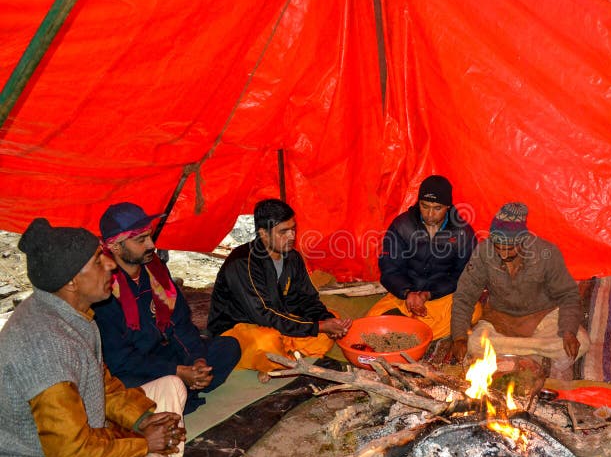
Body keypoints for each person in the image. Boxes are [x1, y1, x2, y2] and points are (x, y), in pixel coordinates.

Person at [0, 218, 187, 457]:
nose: (111, 264)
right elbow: (69, 451)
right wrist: (143, 443)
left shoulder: (71, 314)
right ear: (73, 281)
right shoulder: (46, 348)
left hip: (87, 434)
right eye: (99, 261)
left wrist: (142, 420)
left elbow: (102, 385)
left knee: (172, 385)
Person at [93, 202, 241, 413]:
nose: (151, 244)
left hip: (168, 356)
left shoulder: (156, 271)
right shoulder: (102, 289)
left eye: (150, 236)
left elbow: (181, 324)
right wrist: (177, 371)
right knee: (120, 389)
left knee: (228, 347)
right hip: (137, 367)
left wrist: (196, 360)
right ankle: (180, 391)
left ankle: (181, 391)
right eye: (141, 240)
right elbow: (120, 359)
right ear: (116, 246)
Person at [208, 199, 351, 382]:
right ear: (263, 234)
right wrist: (317, 327)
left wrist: (324, 320)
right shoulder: (243, 263)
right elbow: (262, 314)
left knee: (331, 317)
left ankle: (284, 360)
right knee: (267, 342)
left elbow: (306, 299)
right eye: (283, 231)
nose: (292, 236)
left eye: (293, 229)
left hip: (280, 322)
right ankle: (288, 358)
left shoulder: (292, 257)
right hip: (241, 329)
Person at [449, 203, 590, 378]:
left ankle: (515, 352)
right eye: (497, 246)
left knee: (582, 342)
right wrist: (459, 338)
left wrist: (568, 331)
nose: (502, 254)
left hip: (541, 319)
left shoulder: (546, 252)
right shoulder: (484, 252)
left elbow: (568, 295)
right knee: (474, 343)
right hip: (502, 321)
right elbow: (465, 295)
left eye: (509, 248)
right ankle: (533, 353)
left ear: (523, 240)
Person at [367, 175, 480, 339]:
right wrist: (408, 293)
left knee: (474, 311)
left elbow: (464, 276)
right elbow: (390, 269)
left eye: (437, 208)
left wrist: (429, 294)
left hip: (441, 297)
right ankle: (417, 331)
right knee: (373, 318)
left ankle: (411, 332)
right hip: (406, 296)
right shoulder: (402, 226)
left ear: (448, 206)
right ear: (418, 202)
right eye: (425, 206)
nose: (430, 214)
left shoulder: (462, 233)